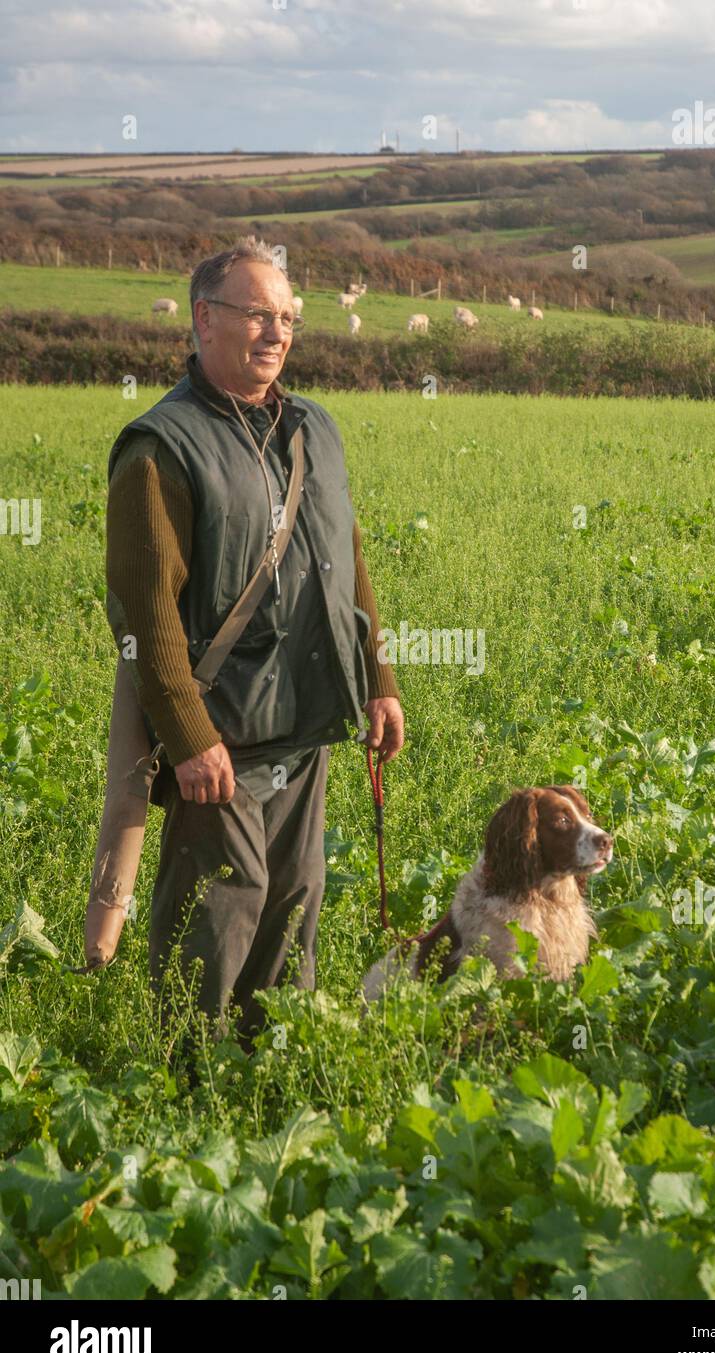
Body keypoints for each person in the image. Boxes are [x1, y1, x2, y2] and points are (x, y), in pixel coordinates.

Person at [103, 235, 404, 1048]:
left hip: (307, 718)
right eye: (257, 315)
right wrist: (189, 736)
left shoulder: (312, 427)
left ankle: (268, 1069)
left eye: (288, 319)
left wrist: (376, 678)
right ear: (203, 319)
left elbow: (345, 555)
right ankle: (184, 1080)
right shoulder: (162, 446)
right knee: (218, 920)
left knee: (292, 908)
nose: (276, 333)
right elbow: (144, 613)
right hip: (222, 734)